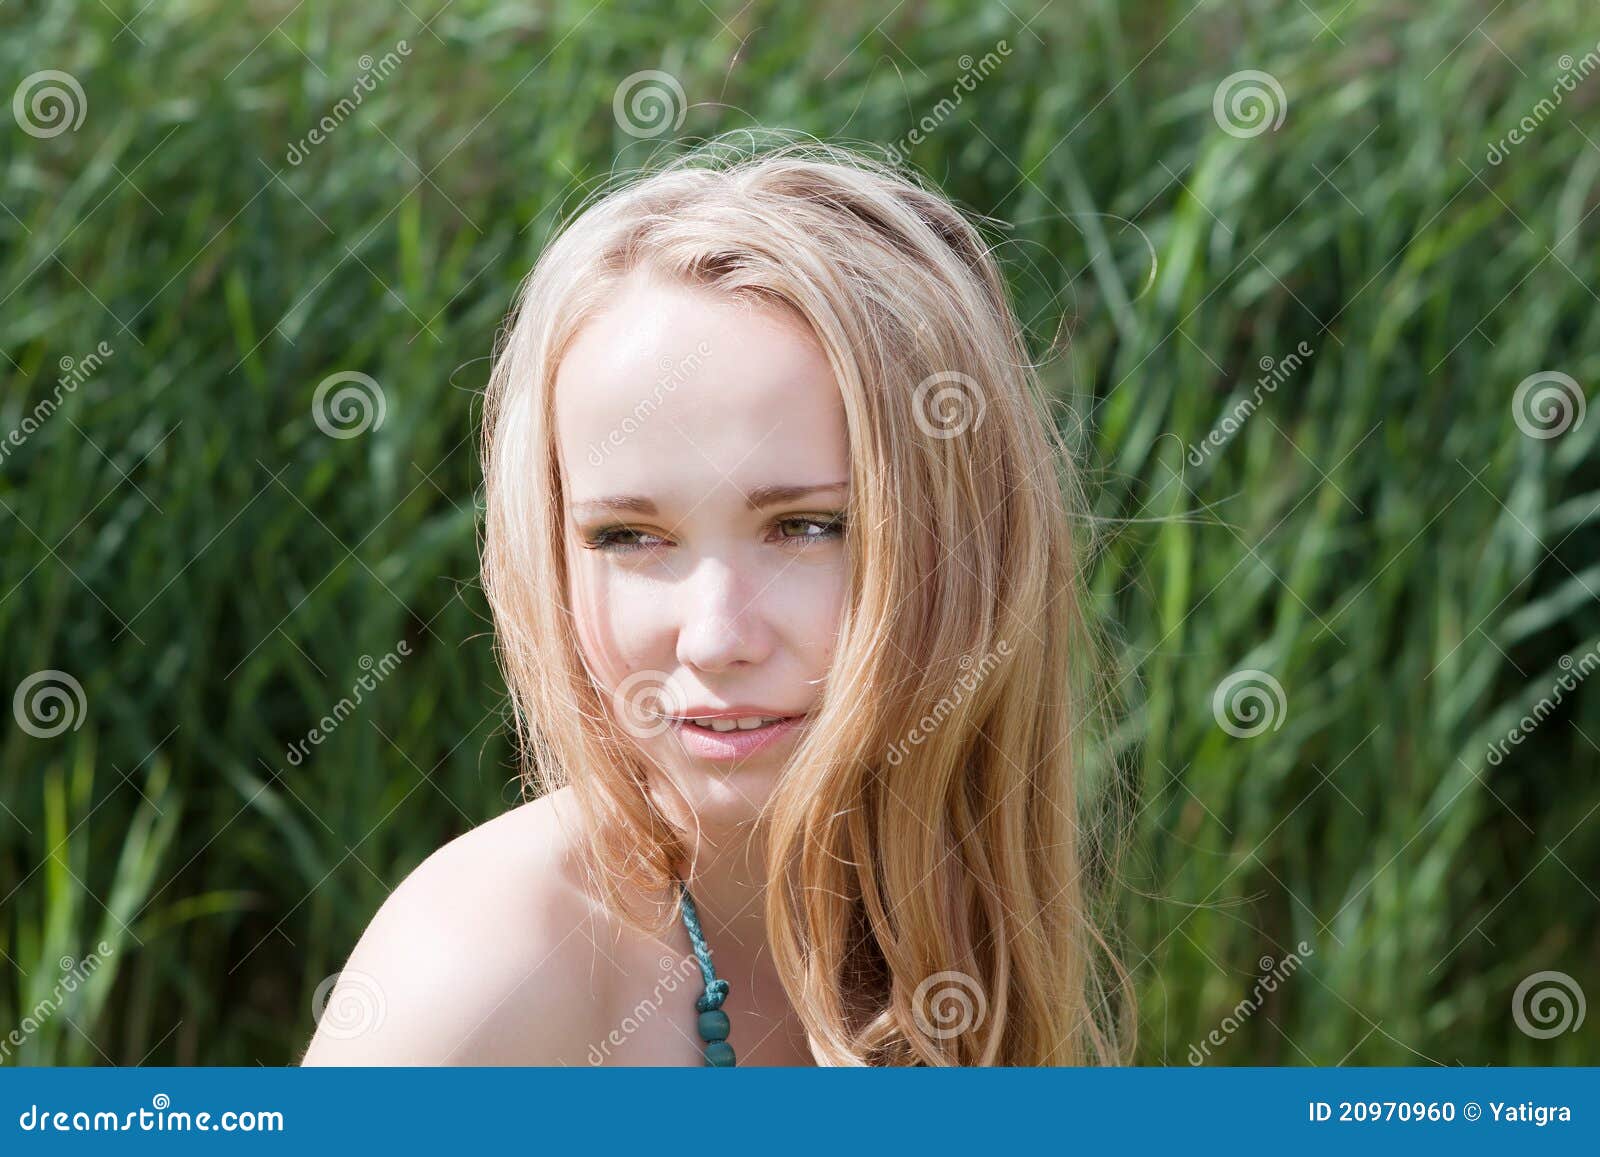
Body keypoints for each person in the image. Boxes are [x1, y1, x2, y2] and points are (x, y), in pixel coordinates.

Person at [302, 135, 1131, 1067]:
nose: (716, 638)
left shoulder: (952, 920)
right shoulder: (484, 972)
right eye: (628, 537)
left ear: (973, 538)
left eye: (808, 527)